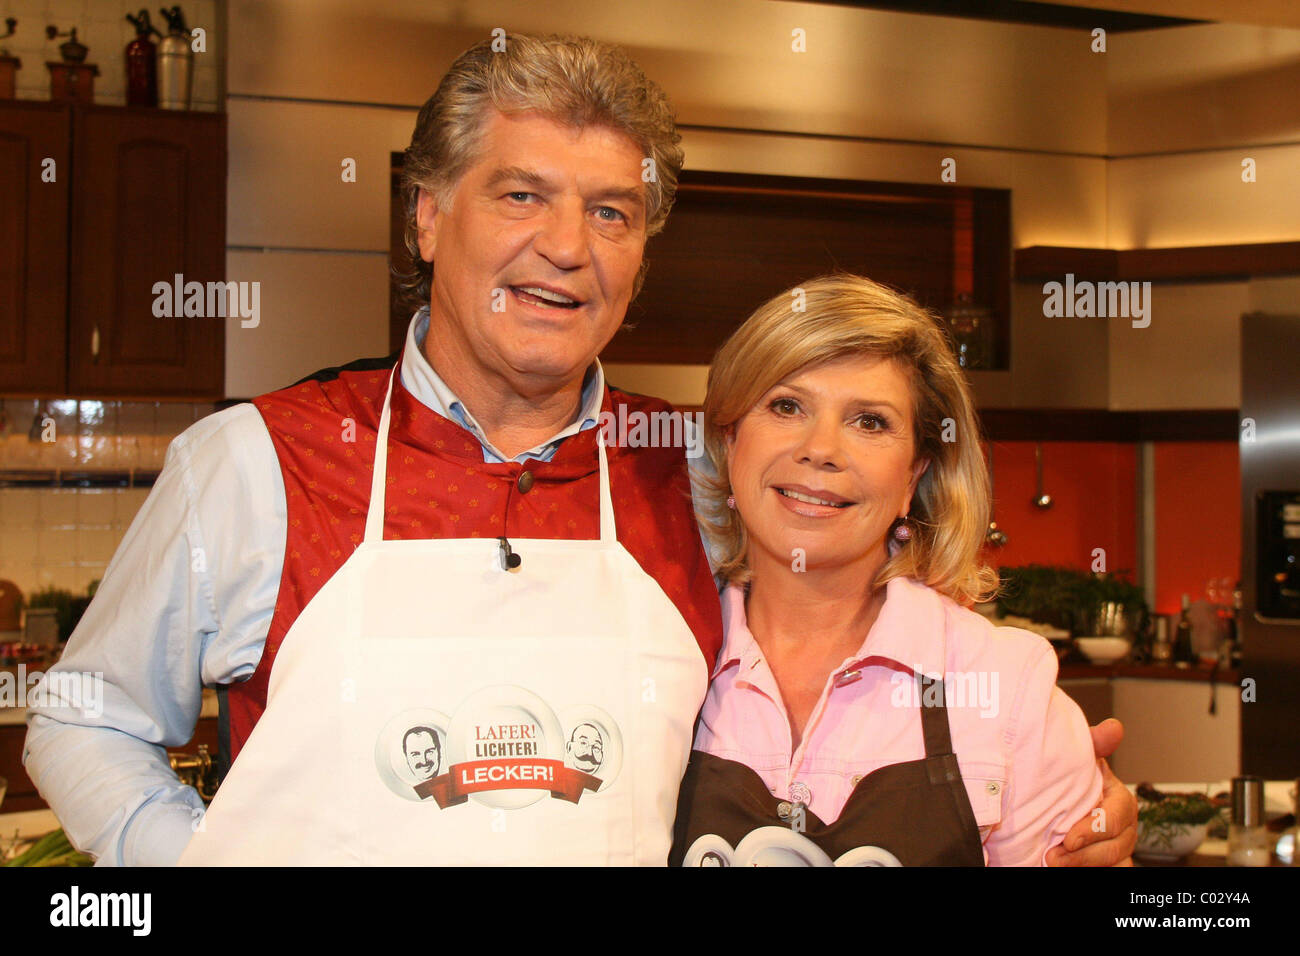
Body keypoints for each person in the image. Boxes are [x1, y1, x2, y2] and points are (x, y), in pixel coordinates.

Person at [22, 32, 1133, 866]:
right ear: (424, 215)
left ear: (641, 257)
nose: (566, 247)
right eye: (522, 194)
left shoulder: (689, 467)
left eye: (612, 213)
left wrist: (1048, 791)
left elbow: (850, 617)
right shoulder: (256, 462)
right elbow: (85, 719)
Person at [671, 274, 1127, 866]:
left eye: (870, 422)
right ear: (731, 444)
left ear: (914, 477)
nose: (821, 448)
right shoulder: (660, 655)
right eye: (787, 406)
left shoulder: (1009, 689)